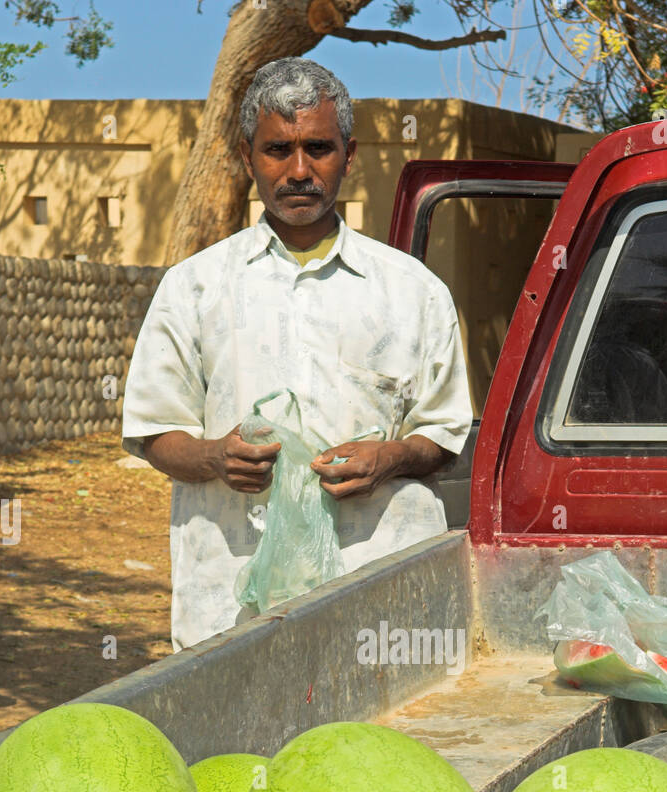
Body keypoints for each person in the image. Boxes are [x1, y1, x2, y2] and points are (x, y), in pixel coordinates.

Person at [122, 57, 473, 651]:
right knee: (235, 740)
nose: (300, 171)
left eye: (319, 147)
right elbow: (154, 430)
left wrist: (390, 457)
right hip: (231, 594)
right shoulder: (195, 286)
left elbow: (442, 435)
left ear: (350, 154)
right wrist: (215, 457)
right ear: (246, 156)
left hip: (378, 596)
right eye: (278, 150)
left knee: (373, 742)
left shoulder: (413, 291)